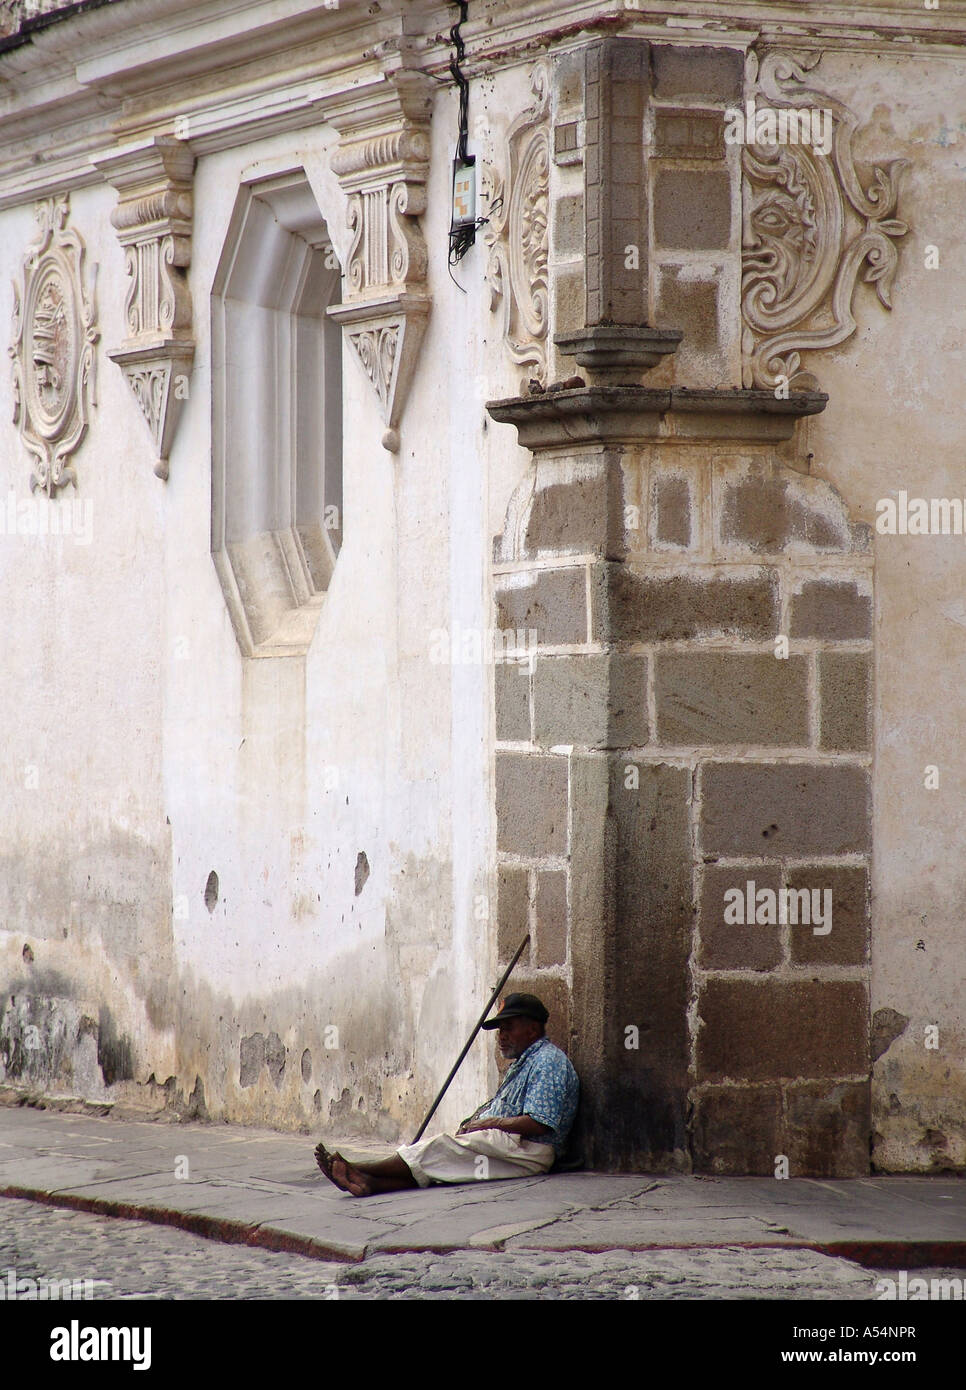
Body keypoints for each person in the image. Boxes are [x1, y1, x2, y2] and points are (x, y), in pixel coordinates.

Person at [314, 993, 579, 1197]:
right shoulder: (525, 1061)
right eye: (500, 1030)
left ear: (532, 1030)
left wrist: (488, 1123)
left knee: (439, 1148)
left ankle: (359, 1167)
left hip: (527, 1150)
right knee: (443, 1167)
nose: (501, 1037)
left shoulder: (548, 1061)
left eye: (508, 1028)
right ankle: (369, 1183)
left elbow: (540, 1121)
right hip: (507, 1145)